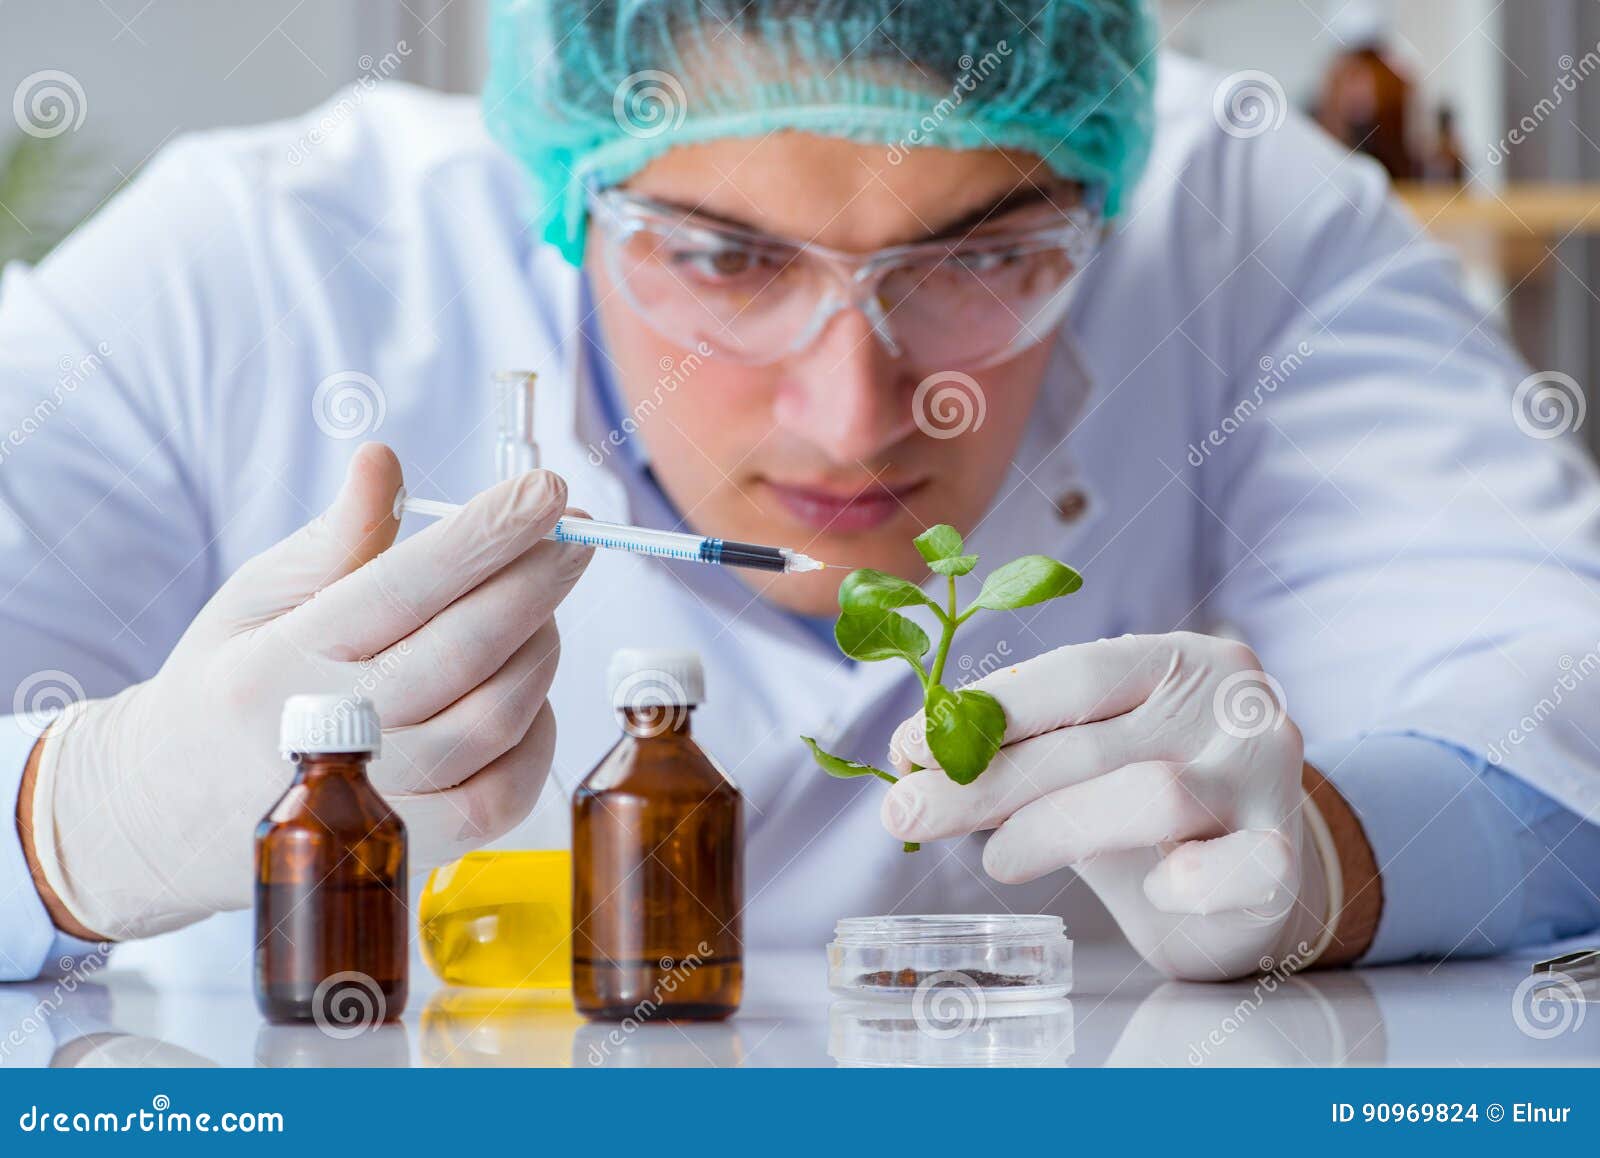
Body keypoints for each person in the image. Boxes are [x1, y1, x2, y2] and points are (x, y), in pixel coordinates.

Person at [2, 0, 1597, 987]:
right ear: (567, 195)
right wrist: (87, 814)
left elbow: (1564, 718)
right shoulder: (246, 269)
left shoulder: (1245, 221)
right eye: (723, 257)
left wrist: (1333, 853)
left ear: (1098, 193)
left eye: (983, 254)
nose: (856, 414)